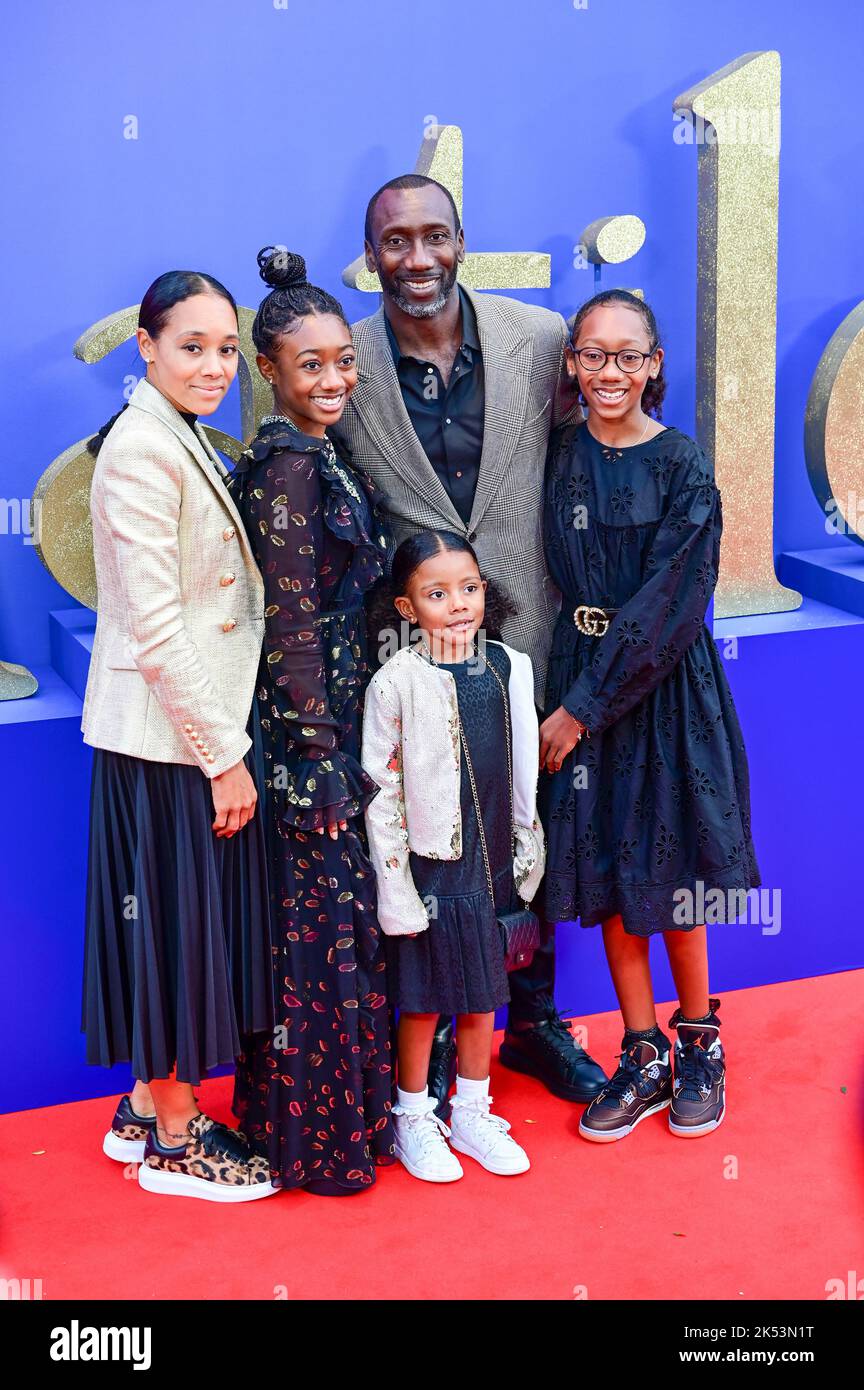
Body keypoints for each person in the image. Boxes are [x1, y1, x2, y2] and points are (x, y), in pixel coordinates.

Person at [331, 173, 607, 1113]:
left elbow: (587, 464)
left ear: (462, 239)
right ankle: (433, 1037)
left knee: (525, 828)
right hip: (409, 658)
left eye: (433, 236)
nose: (416, 259)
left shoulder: (536, 341)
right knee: (427, 838)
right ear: (371, 256)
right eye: (394, 242)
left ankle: (528, 1024)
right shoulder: (346, 359)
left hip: (525, 635)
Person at [540, 288, 761, 1142]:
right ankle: (640, 1054)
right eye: (593, 354)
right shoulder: (558, 456)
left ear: (655, 363)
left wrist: (581, 711)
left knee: (673, 881)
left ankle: (699, 1043)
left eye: (629, 355)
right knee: (605, 876)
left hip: (662, 688)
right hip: (577, 675)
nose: (610, 372)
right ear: (572, 363)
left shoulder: (682, 465)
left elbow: (674, 602)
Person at [82, 270, 277, 1201]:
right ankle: (175, 1136)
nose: (214, 366)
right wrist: (226, 757)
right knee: (168, 929)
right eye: (192, 346)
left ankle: (141, 1104)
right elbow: (158, 631)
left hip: (180, 736)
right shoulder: (139, 452)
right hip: (168, 745)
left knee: (169, 927)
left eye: (227, 349)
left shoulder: (175, 434)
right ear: (146, 347)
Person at [227, 248, 395, 1194]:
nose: (333, 379)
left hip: (328, 716)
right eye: (311, 366)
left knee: (333, 928)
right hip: (306, 736)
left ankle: (334, 1129)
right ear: (270, 372)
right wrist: (319, 755)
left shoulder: (310, 449)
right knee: (319, 933)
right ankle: (317, 1146)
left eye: (343, 360)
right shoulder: (287, 466)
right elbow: (289, 621)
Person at [361, 530, 545, 1182]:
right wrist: (396, 887)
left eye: (468, 588)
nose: (458, 603)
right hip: (433, 871)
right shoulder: (396, 683)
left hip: (494, 860)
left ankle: (471, 1109)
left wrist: (527, 849)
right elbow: (381, 793)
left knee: (481, 996)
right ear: (408, 609)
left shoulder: (509, 666)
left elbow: (523, 769)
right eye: (437, 594)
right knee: (422, 999)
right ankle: (414, 1116)